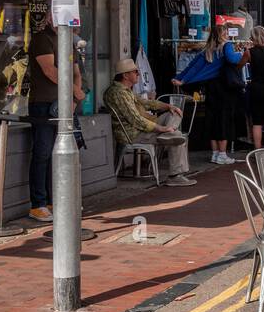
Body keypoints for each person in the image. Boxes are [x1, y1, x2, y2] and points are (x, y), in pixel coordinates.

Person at [25, 22, 84, 222]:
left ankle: (54, 201)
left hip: (65, 104)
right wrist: (74, 91)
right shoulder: (43, 38)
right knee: (42, 153)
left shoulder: (69, 40)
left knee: (58, 154)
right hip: (43, 104)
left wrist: (74, 100)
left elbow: (76, 73)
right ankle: (38, 204)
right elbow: (49, 69)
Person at [104, 59, 194, 187]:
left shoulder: (125, 90)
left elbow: (145, 103)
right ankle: (175, 175)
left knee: (174, 113)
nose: (138, 74)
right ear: (125, 75)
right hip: (134, 133)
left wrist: (168, 106)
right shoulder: (118, 93)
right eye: (135, 72)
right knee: (177, 136)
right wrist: (160, 129)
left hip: (143, 127)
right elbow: (135, 119)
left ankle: (168, 135)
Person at [173, 22, 243, 164]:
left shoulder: (207, 51)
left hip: (211, 88)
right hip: (224, 87)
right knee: (223, 120)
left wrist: (181, 79)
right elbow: (233, 59)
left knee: (212, 120)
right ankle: (222, 154)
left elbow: (192, 67)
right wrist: (242, 53)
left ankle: (215, 153)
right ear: (224, 34)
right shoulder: (227, 46)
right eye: (226, 32)